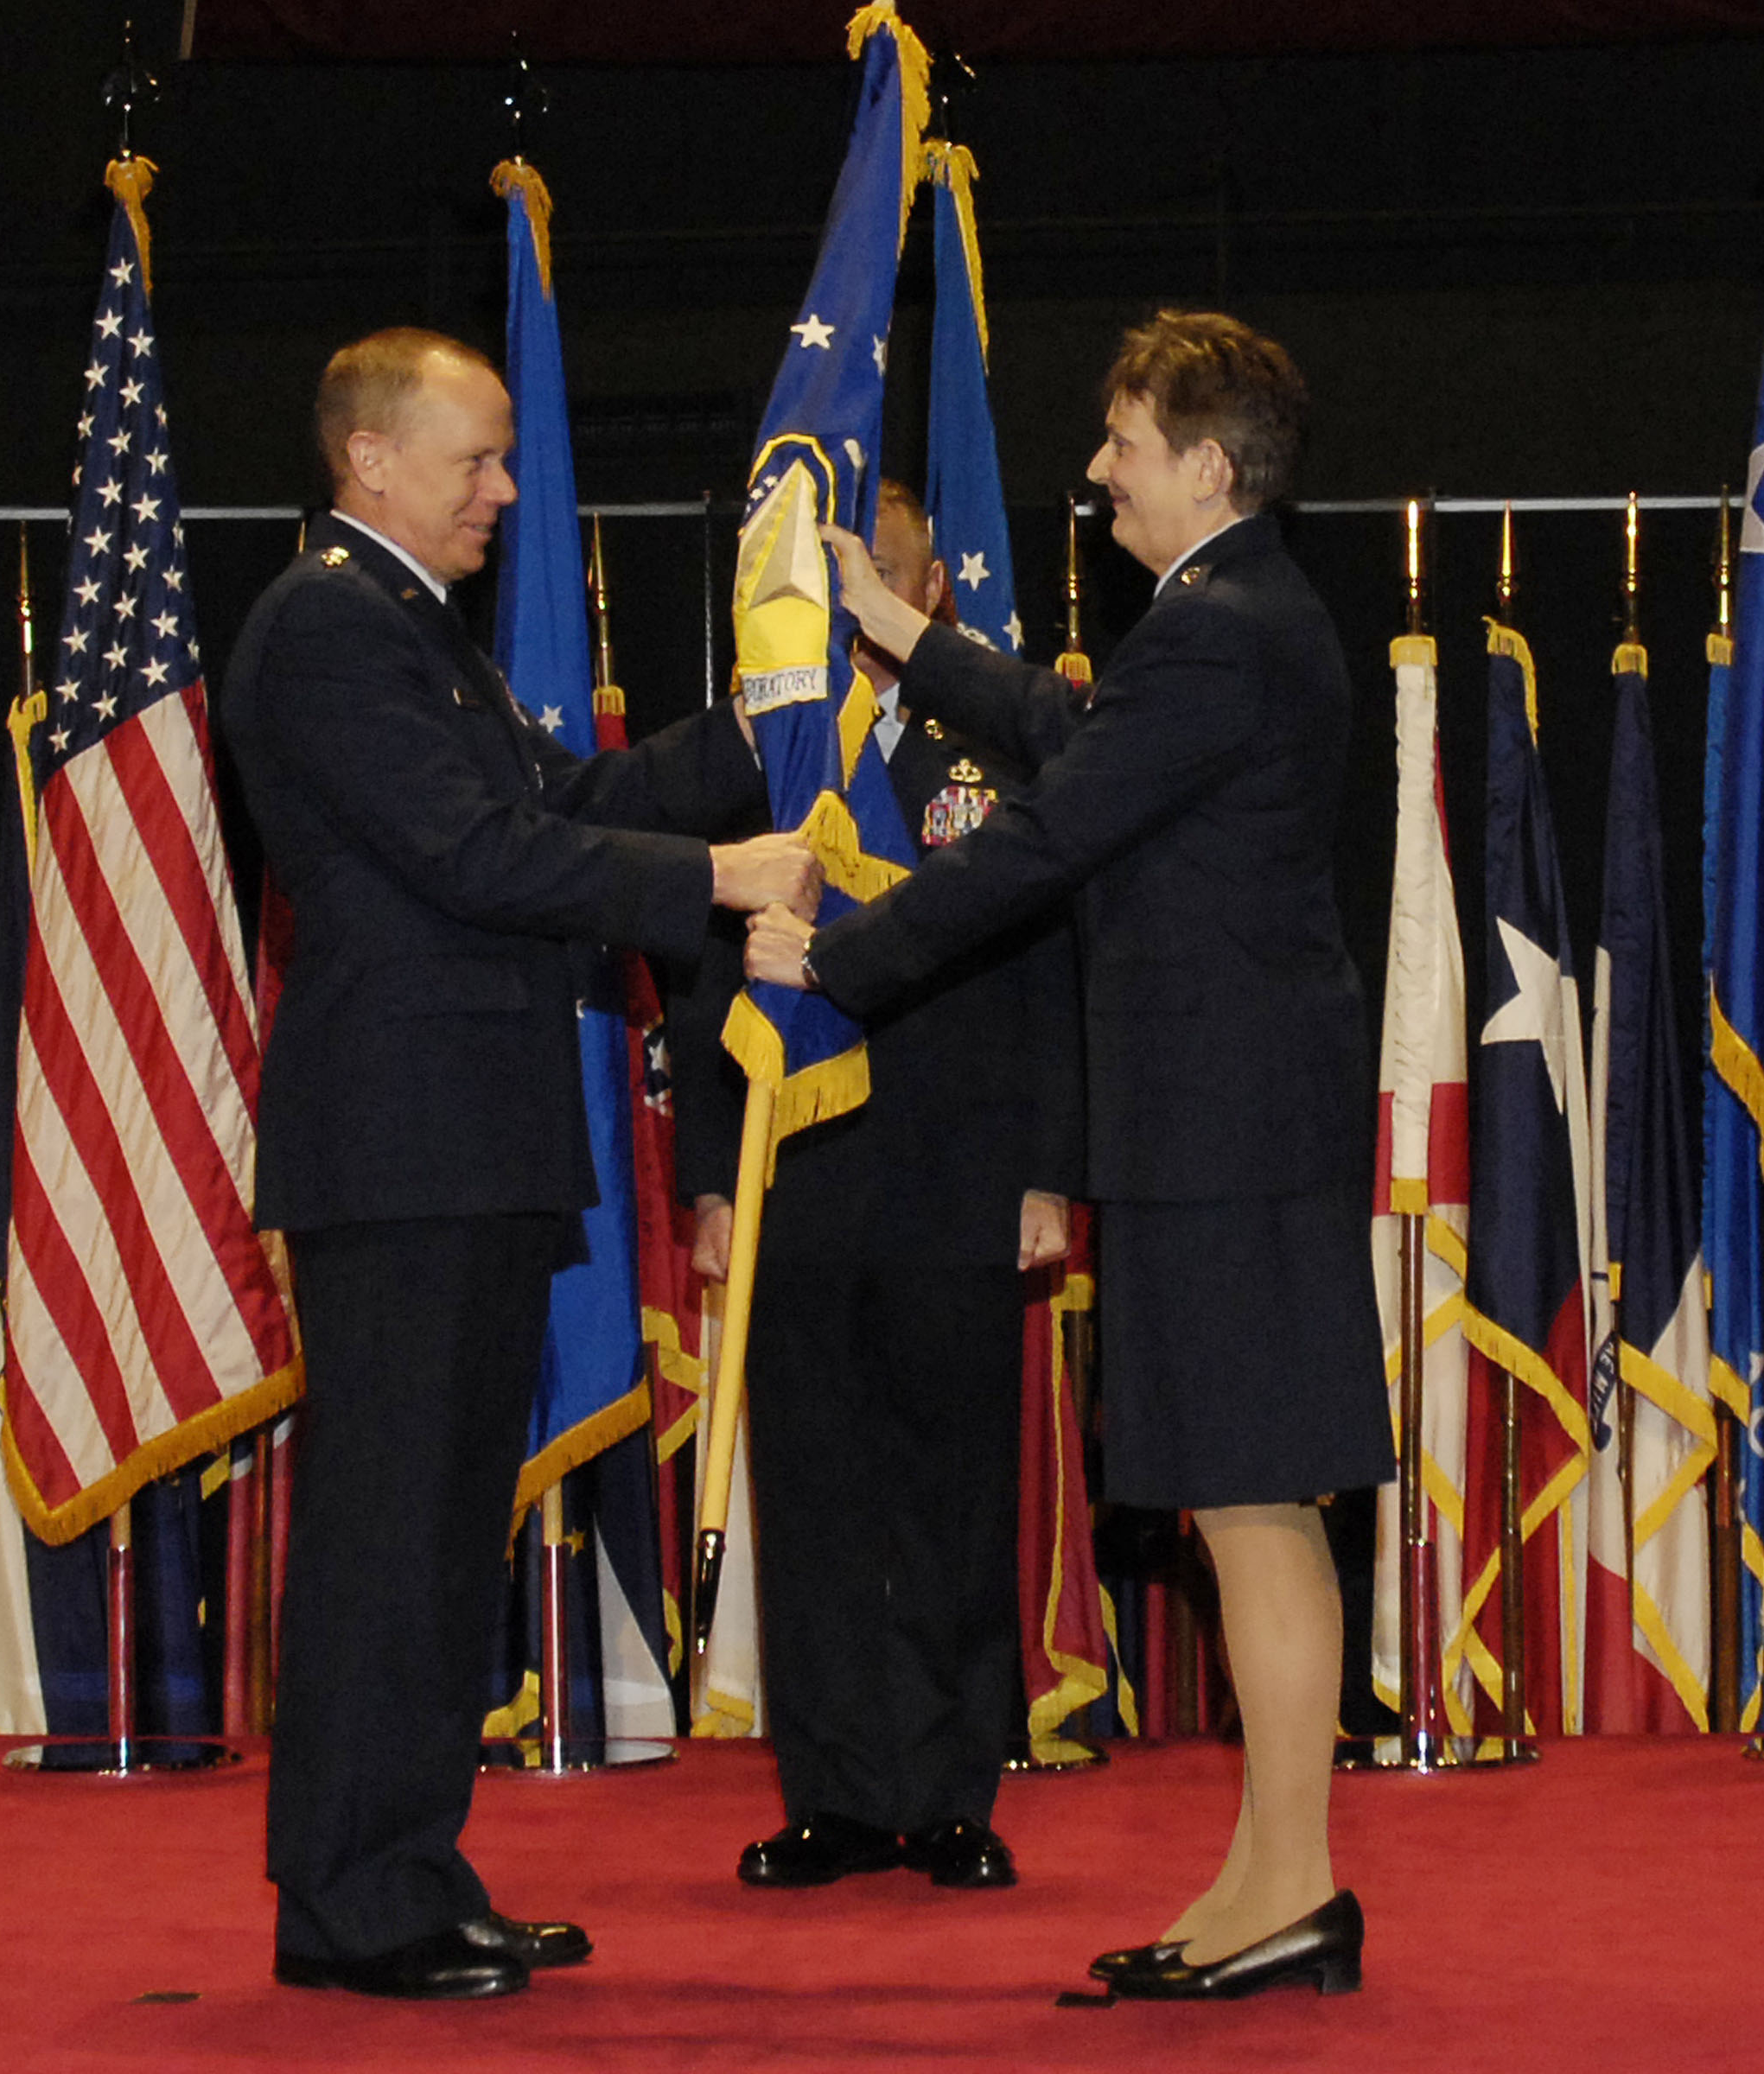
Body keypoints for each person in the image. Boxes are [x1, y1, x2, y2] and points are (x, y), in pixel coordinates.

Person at [748, 311, 1391, 2002]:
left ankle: (1294, 1889)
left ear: (1205, 459)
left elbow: (1047, 834)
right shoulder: (1225, 618)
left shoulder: (1223, 629)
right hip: (1222, 1132)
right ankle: (1272, 1880)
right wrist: (899, 629)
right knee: (1245, 1509)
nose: (1097, 472)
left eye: (1121, 443)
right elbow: (1066, 735)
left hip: (1230, 1138)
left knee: (1257, 1507)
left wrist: (839, 955)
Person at [221, 327, 820, 2002]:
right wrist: (714, 874)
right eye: (478, 459)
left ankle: (406, 1868)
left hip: (462, 1145)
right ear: (371, 460)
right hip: (400, 1150)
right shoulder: (330, 628)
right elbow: (478, 854)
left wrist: (772, 719)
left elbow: (571, 796)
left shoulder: (415, 629)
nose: (503, 491)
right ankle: (349, 1896)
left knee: (434, 1534)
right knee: (387, 1536)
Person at [671, 479, 1081, 1896]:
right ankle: (837, 1791)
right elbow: (705, 966)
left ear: (932, 593)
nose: (852, 620)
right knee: (818, 1484)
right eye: (833, 592)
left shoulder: (998, 750)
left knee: (956, 1491)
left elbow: (1049, 966)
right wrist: (710, 1176)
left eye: (879, 584)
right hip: (798, 1164)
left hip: (962, 1159)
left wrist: (1049, 1171)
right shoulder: (776, 746)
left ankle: (957, 1787)